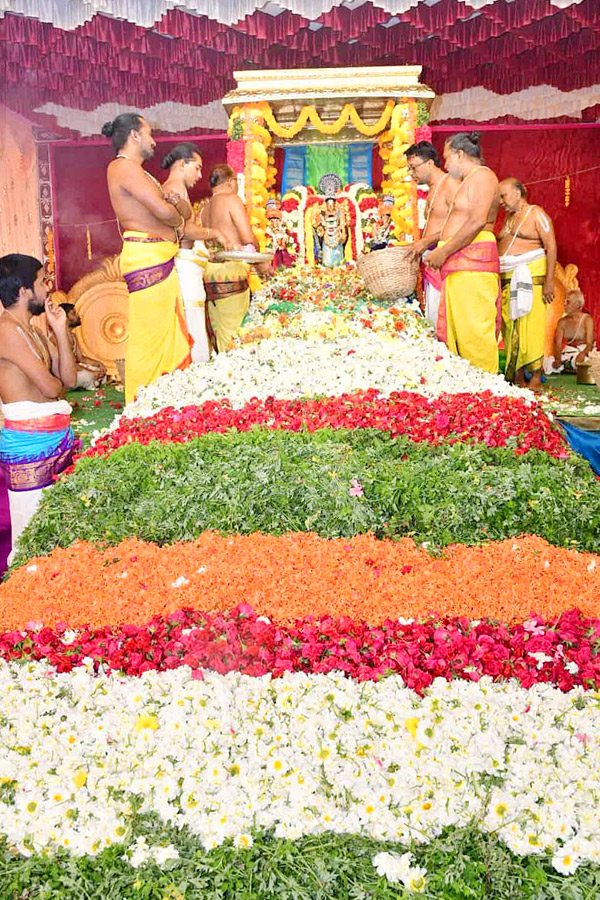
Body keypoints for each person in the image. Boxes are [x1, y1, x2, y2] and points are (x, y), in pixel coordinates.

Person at [103, 112, 193, 404]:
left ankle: (160, 405)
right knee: (148, 341)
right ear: (134, 135)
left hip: (158, 259)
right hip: (148, 258)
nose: (155, 141)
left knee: (161, 338)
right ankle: (141, 410)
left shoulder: (139, 172)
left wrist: (177, 212)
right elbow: (165, 212)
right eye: (150, 134)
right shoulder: (123, 168)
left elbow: (181, 215)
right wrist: (175, 212)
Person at [0, 254, 77, 561]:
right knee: (31, 538)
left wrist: (59, 330)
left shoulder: (32, 329)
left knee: (53, 534)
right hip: (29, 446)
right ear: (22, 292)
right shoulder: (6, 331)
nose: (48, 288)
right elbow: (51, 387)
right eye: (42, 282)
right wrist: (57, 388)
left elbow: (67, 379)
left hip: (52, 438)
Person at [426, 132, 500, 374]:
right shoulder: (468, 181)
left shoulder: (483, 176)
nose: (445, 165)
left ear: (460, 154)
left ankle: (486, 394)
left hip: (472, 262)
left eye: (447, 159)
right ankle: (471, 395)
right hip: (460, 264)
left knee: (474, 334)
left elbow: (477, 221)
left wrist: (443, 251)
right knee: (460, 335)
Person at [160, 143, 232, 363]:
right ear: (183, 164)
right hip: (183, 270)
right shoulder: (173, 188)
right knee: (192, 327)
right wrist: (214, 233)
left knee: (196, 324)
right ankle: (197, 374)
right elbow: (183, 230)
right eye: (197, 168)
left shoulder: (177, 188)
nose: (201, 175)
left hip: (189, 268)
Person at [497, 178, 557, 391]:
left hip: (531, 274)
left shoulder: (535, 213)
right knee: (510, 324)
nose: (501, 201)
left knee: (531, 324)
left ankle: (535, 377)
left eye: (503, 196)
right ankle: (518, 375)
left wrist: (550, 282)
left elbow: (551, 244)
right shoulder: (508, 219)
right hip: (507, 277)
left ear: (517, 192)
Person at [201, 164, 258, 353]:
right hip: (231, 273)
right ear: (231, 182)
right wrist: (261, 261)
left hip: (210, 274)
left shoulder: (204, 208)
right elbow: (248, 239)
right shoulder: (231, 200)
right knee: (236, 335)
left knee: (219, 333)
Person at [406, 140, 456, 329]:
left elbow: (461, 224)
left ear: (429, 163)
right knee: (434, 319)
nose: (411, 174)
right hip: (431, 260)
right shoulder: (433, 188)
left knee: (443, 321)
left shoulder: (449, 184)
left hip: (443, 259)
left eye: (413, 168)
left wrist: (427, 241)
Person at [55, 303, 107, 389]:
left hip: (77, 369)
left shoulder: (73, 336)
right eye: (73, 313)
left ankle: (90, 384)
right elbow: (68, 364)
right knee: (88, 376)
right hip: (66, 374)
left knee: (99, 370)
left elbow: (81, 358)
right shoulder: (56, 337)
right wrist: (90, 372)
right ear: (64, 317)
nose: (78, 316)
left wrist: (99, 364)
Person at [551, 290, 596, 372]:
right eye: (564, 301)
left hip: (584, 353)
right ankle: (568, 367)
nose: (564, 304)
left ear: (578, 305)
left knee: (585, 362)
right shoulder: (562, 322)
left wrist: (582, 354)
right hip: (568, 354)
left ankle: (570, 368)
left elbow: (590, 344)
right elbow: (557, 345)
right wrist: (558, 359)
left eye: (567, 302)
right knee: (547, 363)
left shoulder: (587, 319)